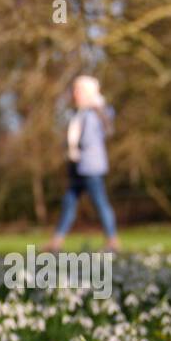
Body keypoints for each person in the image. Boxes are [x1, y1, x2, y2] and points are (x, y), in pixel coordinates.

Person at [47, 76, 118, 252]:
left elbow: (87, 139)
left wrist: (72, 146)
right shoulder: (83, 112)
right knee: (69, 202)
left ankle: (113, 241)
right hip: (79, 166)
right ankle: (56, 241)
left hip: (90, 166)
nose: (74, 94)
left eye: (77, 90)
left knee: (100, 203)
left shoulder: (93, 112)